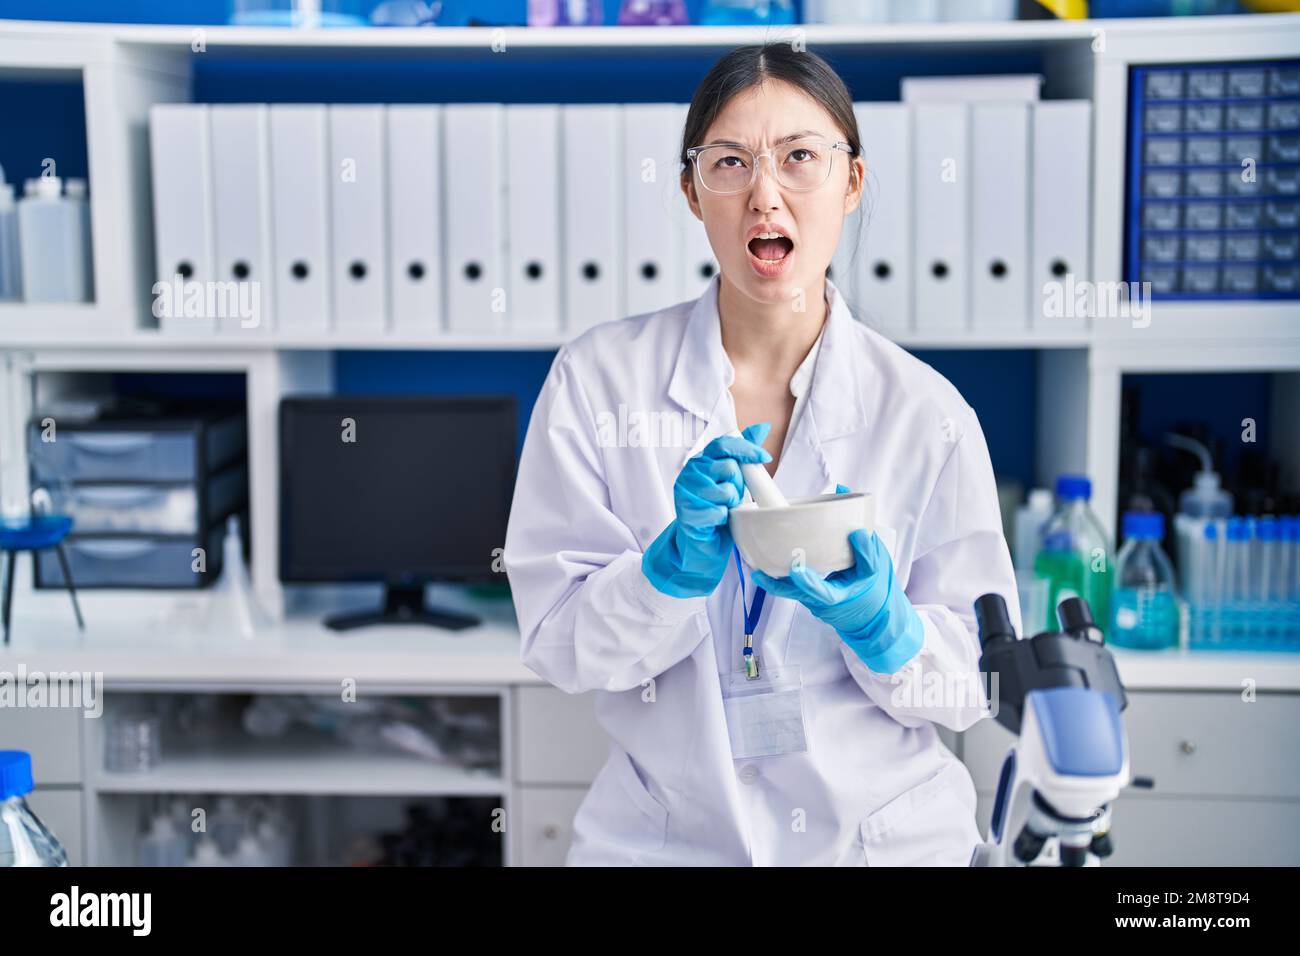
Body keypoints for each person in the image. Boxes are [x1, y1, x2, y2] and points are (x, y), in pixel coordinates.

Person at [504, 42, 1022, 866]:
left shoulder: (930, 416)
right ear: (690, 189)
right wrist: (662, 577)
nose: (764, 194)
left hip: (878, 845)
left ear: (851, 183)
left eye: (800, 158)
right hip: (667, 844)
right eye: (730, 162)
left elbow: (973, 689)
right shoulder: (597, 383)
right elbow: (560, 646)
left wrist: (886, 632)